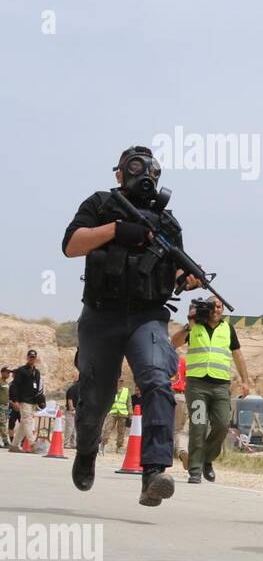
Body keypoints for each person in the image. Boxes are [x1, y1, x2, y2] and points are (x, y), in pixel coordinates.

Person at [62, 146, 198, 505]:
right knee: (95, 397)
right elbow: (72, 246)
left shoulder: (166, 223)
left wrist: (187, 278)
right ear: (119, 173)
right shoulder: (100, 205)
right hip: (100, 315)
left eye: (152, 171)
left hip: (147, 317)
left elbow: (177, 265)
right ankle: (87, 451)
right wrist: (118, 230)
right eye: (135, 169)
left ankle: (153, 470)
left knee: (156, 379)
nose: (145, 177)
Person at [171, 294, 252, 484]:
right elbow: (174, 342)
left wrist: (245, 380)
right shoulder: (195, 326)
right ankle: (195, 470)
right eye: (213, 306)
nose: (217, 309)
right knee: (198, 426)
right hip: (197, 385)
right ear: (206, 308)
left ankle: (206, 459)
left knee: (223, 424)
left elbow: (238, 356)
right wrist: (187, 324)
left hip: (220, 386)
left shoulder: (228, 329)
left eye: (220, 307)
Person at [7, 349, 44, 453]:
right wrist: (15, 401)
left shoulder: (37, 372)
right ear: (27, 357)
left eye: (34, 357)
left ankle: (14, 445)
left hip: (33, 401)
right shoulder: (21, 371)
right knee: (28, 420)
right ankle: (33, 444)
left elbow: (38, 387)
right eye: (30, 357)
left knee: (24, 423)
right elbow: (15, 386)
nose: (32, 359)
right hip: (24, 400)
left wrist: (39, 400)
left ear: (36, 359)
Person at [102, 377, 131, 452]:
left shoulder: (126, 391)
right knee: (107, 428)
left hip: (123, 413)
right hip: (113, 412)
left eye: (122, 381)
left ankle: (119, 446)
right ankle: (103, 443)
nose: (120, 382)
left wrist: (130, 414)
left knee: (121, 431)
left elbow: (129, 403)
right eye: (119, 381)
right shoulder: (112, 390)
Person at [171, 353, 188, 469]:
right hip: (180, 396)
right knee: (180, 429)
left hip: (164, 394)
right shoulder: (182, 360)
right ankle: (182, 450)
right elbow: (188, 379)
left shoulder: (161, 358)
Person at [64, 371, 80, 451]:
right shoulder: (76, 388)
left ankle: (71, 443)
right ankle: (68, 443)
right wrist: (72, 409)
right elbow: (70, 399)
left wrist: (72, 409)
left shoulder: (73, 388)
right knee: (72, 428)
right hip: (73, 410)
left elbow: (70, 399)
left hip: (73, 410)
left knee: (72, 428)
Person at [0, 367, 12, 449]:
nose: (8, 374)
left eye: (9, 373)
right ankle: (5, 442)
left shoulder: (6, 383)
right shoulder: (0, 382)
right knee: (3, 424)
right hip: (1, 406)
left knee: (2, 424)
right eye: (7, 372)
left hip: (5, 407)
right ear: (2, 372)